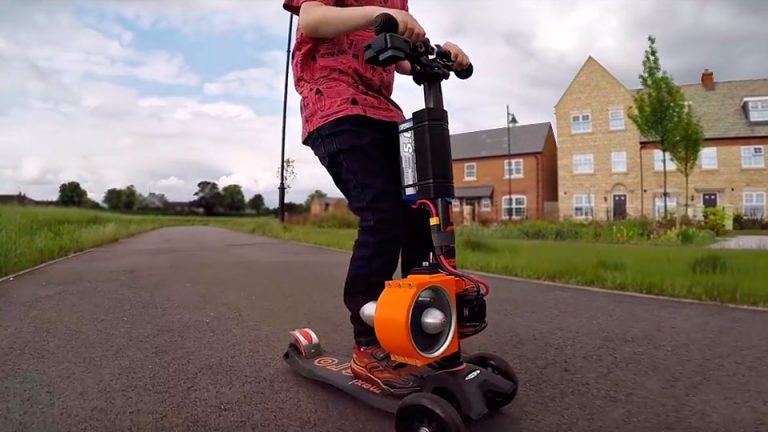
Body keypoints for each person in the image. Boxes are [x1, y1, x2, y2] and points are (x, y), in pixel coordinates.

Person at [282, 0, 470, 396]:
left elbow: (402, 61)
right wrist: (374, 15)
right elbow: (313, 20)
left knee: (422, 213)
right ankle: (368, 343)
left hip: (385, 114)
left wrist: (440, 53)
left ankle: (422, 324)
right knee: (383, 215)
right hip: (335, 109)